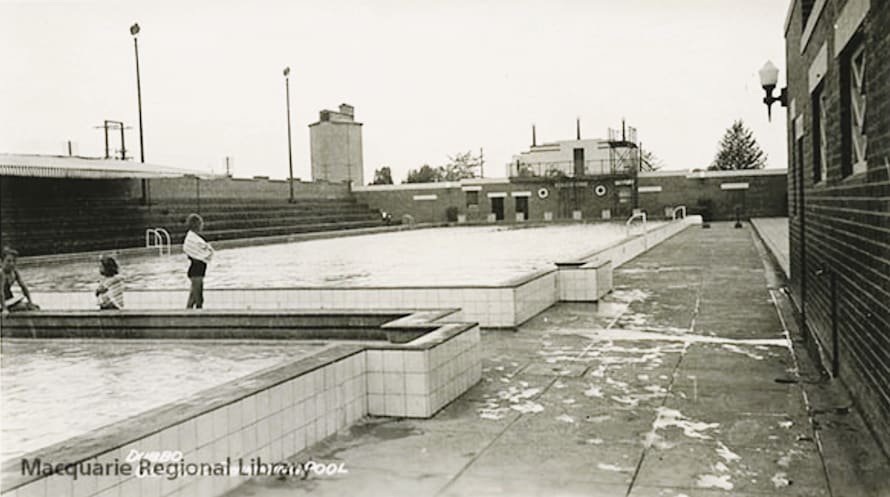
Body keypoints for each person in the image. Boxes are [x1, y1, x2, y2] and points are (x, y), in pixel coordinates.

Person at [183, 213, 214, 309]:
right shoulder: (192, 239)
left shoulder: (195, 239)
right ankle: (198, 317)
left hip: (197, 271)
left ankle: (187, 316)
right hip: (196, 272)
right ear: (197, 225)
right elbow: (196, 253)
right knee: (198, 298)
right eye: (201, 223)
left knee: (193, 297)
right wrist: (207, 251)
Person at [1, 246, 40, 315]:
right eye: (8, 261)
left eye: (14, 261)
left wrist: (30, 302)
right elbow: (0, 292)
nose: (11, 264)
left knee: (34, 306)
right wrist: (4, 309)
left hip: (8, 299)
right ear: (1, 261)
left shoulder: (14, 272)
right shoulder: (1, 273)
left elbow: (23, 287)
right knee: (23, 307)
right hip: (2, 301)